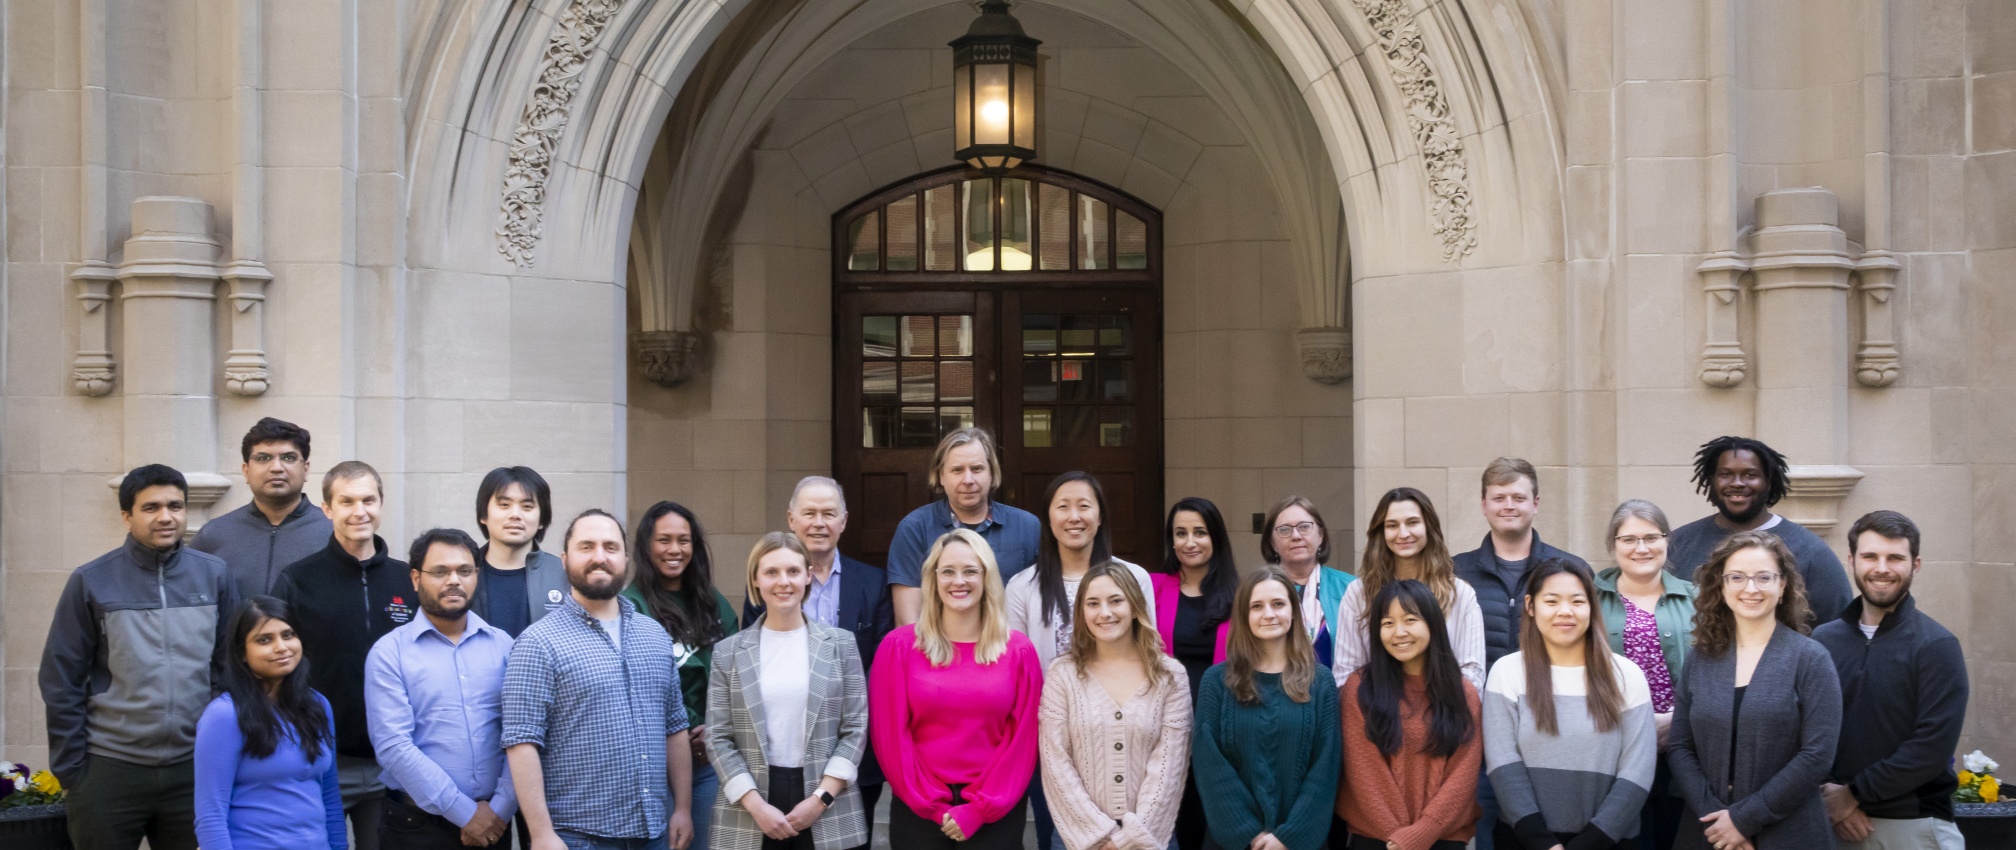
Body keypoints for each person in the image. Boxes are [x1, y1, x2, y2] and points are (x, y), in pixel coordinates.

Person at [41, 464, 237, 850]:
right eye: (151, 508)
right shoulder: (91, 579)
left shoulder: (215, 575)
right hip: (109, 771)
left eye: (175, 506)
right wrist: (72, 771)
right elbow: (60, 677)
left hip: (192, 771)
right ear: (126, 515)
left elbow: (229, 666)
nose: (166, 517)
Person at [505, 509, 696, 850]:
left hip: (653, 832)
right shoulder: (537, 643)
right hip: (578, 838)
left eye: (610, 547)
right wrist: (541, 833)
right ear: (564, 560)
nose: (599, 557)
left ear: (625, 557)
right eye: (586, 546)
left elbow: (674, 726)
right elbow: (522, 743)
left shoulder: (653, 635)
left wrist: (682, 808)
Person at [1006, 471, 1157, 850]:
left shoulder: (1134, 579)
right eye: (1063, 507)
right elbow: (1017, 673)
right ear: (1048, 518)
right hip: (1052, 744)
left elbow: (1148, 654)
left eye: (1084, 506)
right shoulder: (1023, 587)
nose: (1074, 516)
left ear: (1100, 516)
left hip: (1123, 736)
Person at [742, 477, 893, 850]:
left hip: (854, 756)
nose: (819, 522)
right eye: (809, 513)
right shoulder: (768, 587)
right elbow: (751, 667)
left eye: (829, 513)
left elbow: (879, 665)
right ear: (791, 519)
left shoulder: (873, 583)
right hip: (776, 759)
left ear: (844, 520)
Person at [1666, 531, 1842, 850]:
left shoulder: (1811, 659)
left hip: (1789, 833)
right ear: (1721, 584)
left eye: (1763, 577)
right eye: (1737, 577)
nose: (1750, 588)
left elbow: (1818, 755)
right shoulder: (1701, 658)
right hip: (1707, 833)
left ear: (1783, 584)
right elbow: (1680, 745)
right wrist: (1717, 819)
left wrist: (1743, 820)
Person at [870, 529, 1043, 850]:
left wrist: (981, 809)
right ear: (933, 579)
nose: (958, 581)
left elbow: (1023, 740)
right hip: (917, 812)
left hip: (996, 812)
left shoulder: (1019, 651)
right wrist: (932, 806)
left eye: (970, 571)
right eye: (947, 571)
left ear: (987, 578)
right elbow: (890, 736)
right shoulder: (899, 647)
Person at [274, 461, 414, 850]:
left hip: (392, 762)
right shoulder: (298, 579)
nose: (360, 511)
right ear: (327, 509)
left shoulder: (408, 579)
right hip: (320, 759)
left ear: (381, 503)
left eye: (368, 499)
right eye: (347, 501)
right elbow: (275, 665)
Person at [707, 532, 870, 850]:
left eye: (793, 571)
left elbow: (855, 729)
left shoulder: (841, 644)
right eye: (771, 572)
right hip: (750, 806)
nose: (783, 581)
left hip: (826, 801)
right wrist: (756, 805)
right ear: (756, 579)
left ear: (808, 576)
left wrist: (821, 798)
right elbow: (718, 737)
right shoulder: (728, 652)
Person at [1815, 511, 1967, 849]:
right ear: (1852, 561)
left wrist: (1853, 795)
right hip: (1830, 824)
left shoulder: (1936, 645)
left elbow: (1931, 747)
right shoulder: (1821, 642)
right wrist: (1830, 795)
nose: (1881, 568)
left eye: (1895, 557)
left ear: (1916, 564)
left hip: (1913, 826)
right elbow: (1804, 728)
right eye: (1870, 556)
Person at [1451, 461, 1583, 850]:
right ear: (1483, 504)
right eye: (1499, 497)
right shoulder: (1456, 573)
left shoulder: (1569, 572)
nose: (1509, 505)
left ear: (1536, 503)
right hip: (1474, 739)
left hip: (1549, 732)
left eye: (1519, 497)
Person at [1482, 559, 1657, 850]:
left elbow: (1637, 770)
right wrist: (1541, 842)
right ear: (1530, 606)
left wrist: (1591, 842)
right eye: (1551, 601)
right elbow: (1503, 764)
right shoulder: (1507, 672)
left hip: (1609, 842)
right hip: (1524, 841)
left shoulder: (1626, 676)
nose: (1565, 611)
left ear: (1592, 606)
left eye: (1577, 601)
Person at [365, 529, 516, 849]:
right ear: (416, 578)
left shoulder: (505, 646)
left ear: (477, 575)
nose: (454, 580)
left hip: (495, 824)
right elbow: (393, 745)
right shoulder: (389, 653)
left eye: (464, 571)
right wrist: (464, 813)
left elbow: (522, 734)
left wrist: (501, 807)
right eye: (440, 571)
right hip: (416, 828)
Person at [1038, 562, 1191, 850]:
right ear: (1082, 613)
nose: (1105, 613)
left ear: (1134, 606)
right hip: (1078, 839)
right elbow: (1055, 761)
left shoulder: (1169, 677)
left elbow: (1170, 767)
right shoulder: (1062, 674)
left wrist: (1128, 840)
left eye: (1116, 601)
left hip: (1149, 837)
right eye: (1093, 603)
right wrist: (1099, 835)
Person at [1192, 566, 1341, 850]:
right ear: (1243, 615)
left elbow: (1326, 766)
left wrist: (1290, 837)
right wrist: (1248, 834)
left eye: (1278, 604)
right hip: (1232, 842)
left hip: (1299, 842)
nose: (1268, 614)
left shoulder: (1320, 682)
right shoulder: (1217, 681)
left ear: (1294, 612)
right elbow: (1209, 763)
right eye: (1257, 606)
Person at [625, 500, 742, 850]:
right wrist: (687, 727)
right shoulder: (630, 606)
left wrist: (715, 727)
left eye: (684, 540)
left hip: (709, 761)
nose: (674, 550)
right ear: (647, 546)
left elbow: (736, 673)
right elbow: (638, 685)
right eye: (664, 540)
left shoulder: (712, 602)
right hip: (653, 762)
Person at [1335, 579, 1482, 850]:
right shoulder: (1360, 688)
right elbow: (1363, 771)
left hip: (1443, 838)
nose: (1399, 632)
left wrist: (1422, 833)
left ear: (1432, 624)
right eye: (1387, 623)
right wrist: (1399, 836)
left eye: (1410, 619)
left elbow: (1463, 774)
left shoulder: (1464, 694)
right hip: (1376, 839)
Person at [193, 596, 346, 850]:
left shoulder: (318, 705)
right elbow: (211, 817)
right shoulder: (224, 716)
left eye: (288, 635)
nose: (282, 647)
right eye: (265, 640)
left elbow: (330, 797)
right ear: (242, 653)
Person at [1591, 501, 1694, 850]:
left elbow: (1716, 672)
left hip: (1684, 746)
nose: (1641, 548)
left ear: (1667, 540)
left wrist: (1676, 722)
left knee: (1676, 836)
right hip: (1614, 748)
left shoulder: (1697, 598)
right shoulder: (1588, 600)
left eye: (1651, 537)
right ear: (1613, 544)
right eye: (1629, 539)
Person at [1664, 437, 1852, 623]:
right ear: (1711, 481)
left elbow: (1836, 630)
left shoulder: (1812, 551)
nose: (1737, 483)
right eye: (1726, 474)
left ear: (1769, 482)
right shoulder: (1678, 544)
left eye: (1750, 475)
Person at [1150, 497, 1240, 850]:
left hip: (1219, 727)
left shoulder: (1240, 594)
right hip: (1166, 726)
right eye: (1181, 533)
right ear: (1171, 540)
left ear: (1215, 537)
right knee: (1176, 817)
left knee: (1214, 819)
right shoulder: (1153, 587)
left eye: (1200, 532)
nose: (1190, 542)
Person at [886, 427, 1041, 626]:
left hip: (1006, 650)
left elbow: (1041, 607)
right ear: (941, 476)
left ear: (992, 473)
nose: (968, 480)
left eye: (977, 469)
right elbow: (908, 621)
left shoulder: (1027, 527)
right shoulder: (914, 529)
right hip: (939, 653)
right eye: (957, 470)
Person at [1334, 487, 1487, 689]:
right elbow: (1346, 675)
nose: (1403, 533)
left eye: (1413, 522)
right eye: (1392, 525)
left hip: (1444, 713)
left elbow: (1472, 675)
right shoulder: (1359, 593)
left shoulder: (1459, 594)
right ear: (1381, 532)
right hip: (1378, 715)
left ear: (1428, 527)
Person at [193, 417, 333, 600]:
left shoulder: (334, 532)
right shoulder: (214, 535)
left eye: (288, 458)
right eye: (264, 458)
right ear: (246, 470)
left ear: (305, 469)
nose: (276, 468)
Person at [1256, 495, 1355, 670]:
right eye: (1284, 530)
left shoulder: (1351, 589)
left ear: (1320, 536)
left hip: (1337, 694)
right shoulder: (1256, 592)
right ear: (1272, 542)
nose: (1296, 536)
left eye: (1304, 527)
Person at [468, 466, 569, 638]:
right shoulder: (464, 572)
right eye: (504, 505)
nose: (515, 515)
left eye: (527, 506)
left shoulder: (566, 574)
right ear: (483, 515)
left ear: (542, 520)